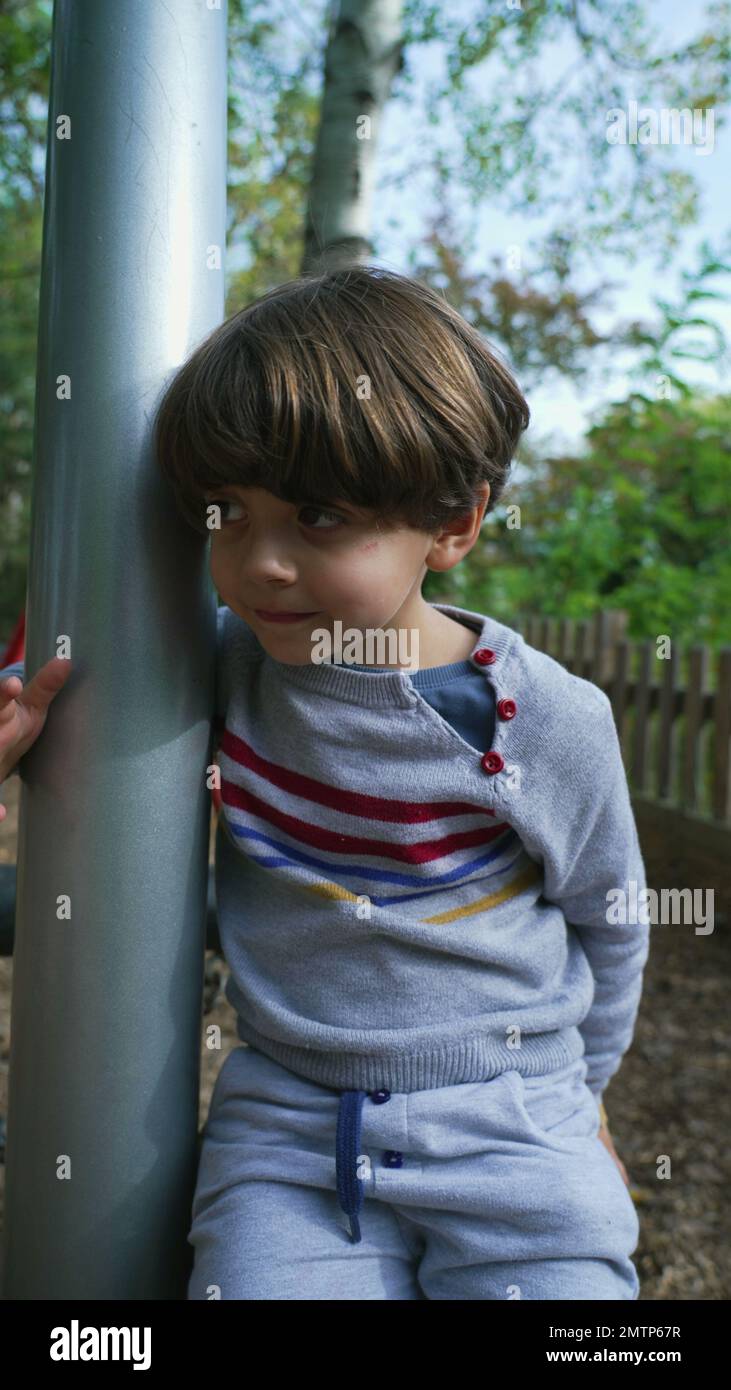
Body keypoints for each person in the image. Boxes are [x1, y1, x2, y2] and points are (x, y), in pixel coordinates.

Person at [1, 264, 649, 1301]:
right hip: (291, 1135)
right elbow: (66, 682)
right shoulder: (209, 668)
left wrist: (583, 1101)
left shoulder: (542, 721)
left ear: (453, 521)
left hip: (514, 1124)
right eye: (225, 512)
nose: (258, 562)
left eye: (316, 516)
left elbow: (609, 921)